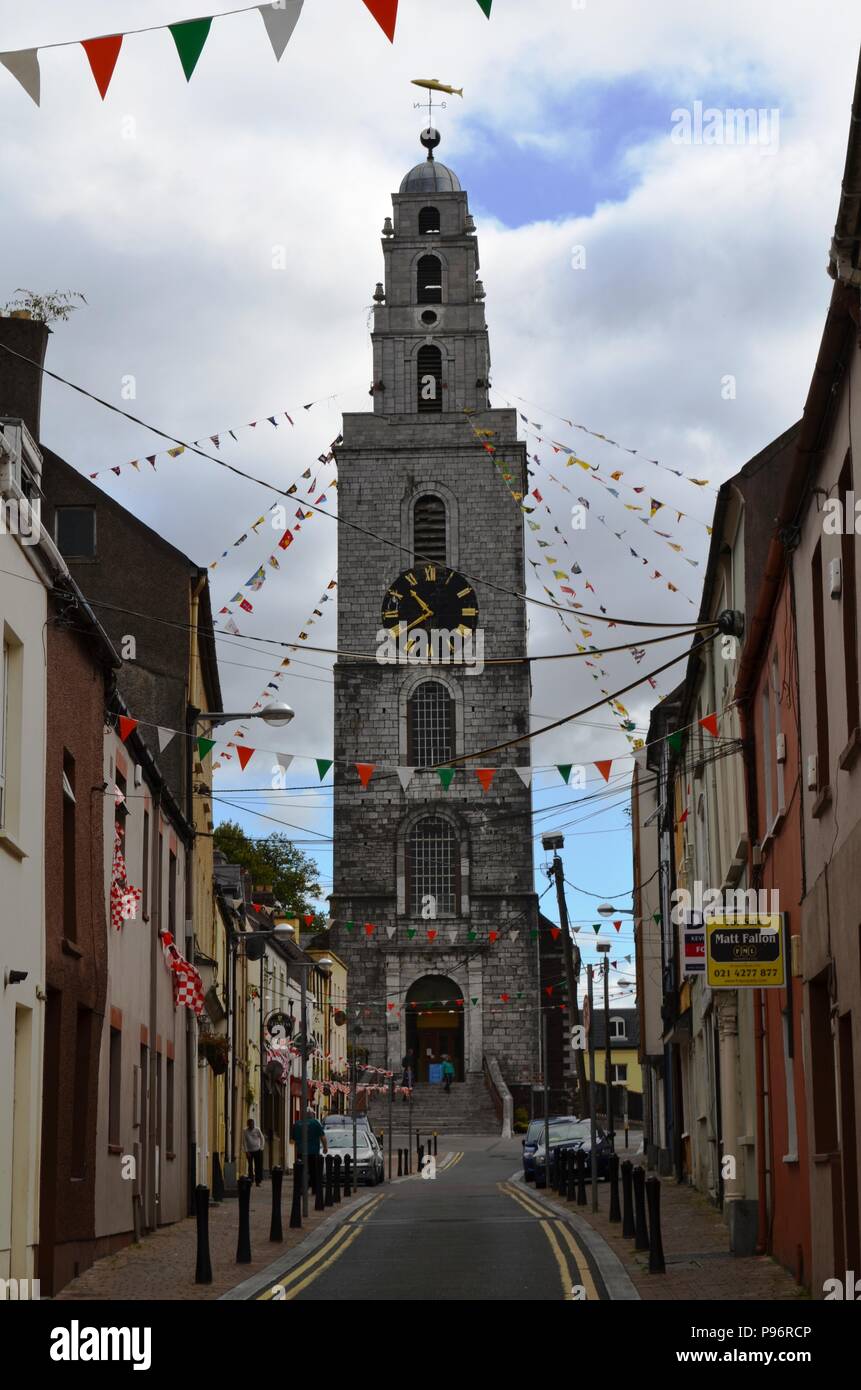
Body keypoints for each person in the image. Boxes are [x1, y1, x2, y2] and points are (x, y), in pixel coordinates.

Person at [291, 1109, 328, 1193]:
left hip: (300, 1152)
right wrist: (325, 1147)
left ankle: (301, 1188)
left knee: (302, 1171)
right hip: (313, 1152)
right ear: (311, 1115)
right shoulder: (316, 1123)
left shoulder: (297, 1124)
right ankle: (314, 1189)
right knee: (313, 1171)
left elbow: (293, 1141)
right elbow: (322, 1137)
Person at [242, 1116, 265, 1185]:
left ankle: (258, 1181)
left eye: (253, 1124)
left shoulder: (257, 1130)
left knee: (258, 1166)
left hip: (258, 1150)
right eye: (250, 1124)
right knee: (250, 1166)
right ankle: (250, 1180)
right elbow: (244, 1141)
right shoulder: (245, 1131)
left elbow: (262, 1138)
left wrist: (261, 1148)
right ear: (248, 1125)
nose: (252, 1126)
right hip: (249, 1151)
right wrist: (246, 1151)